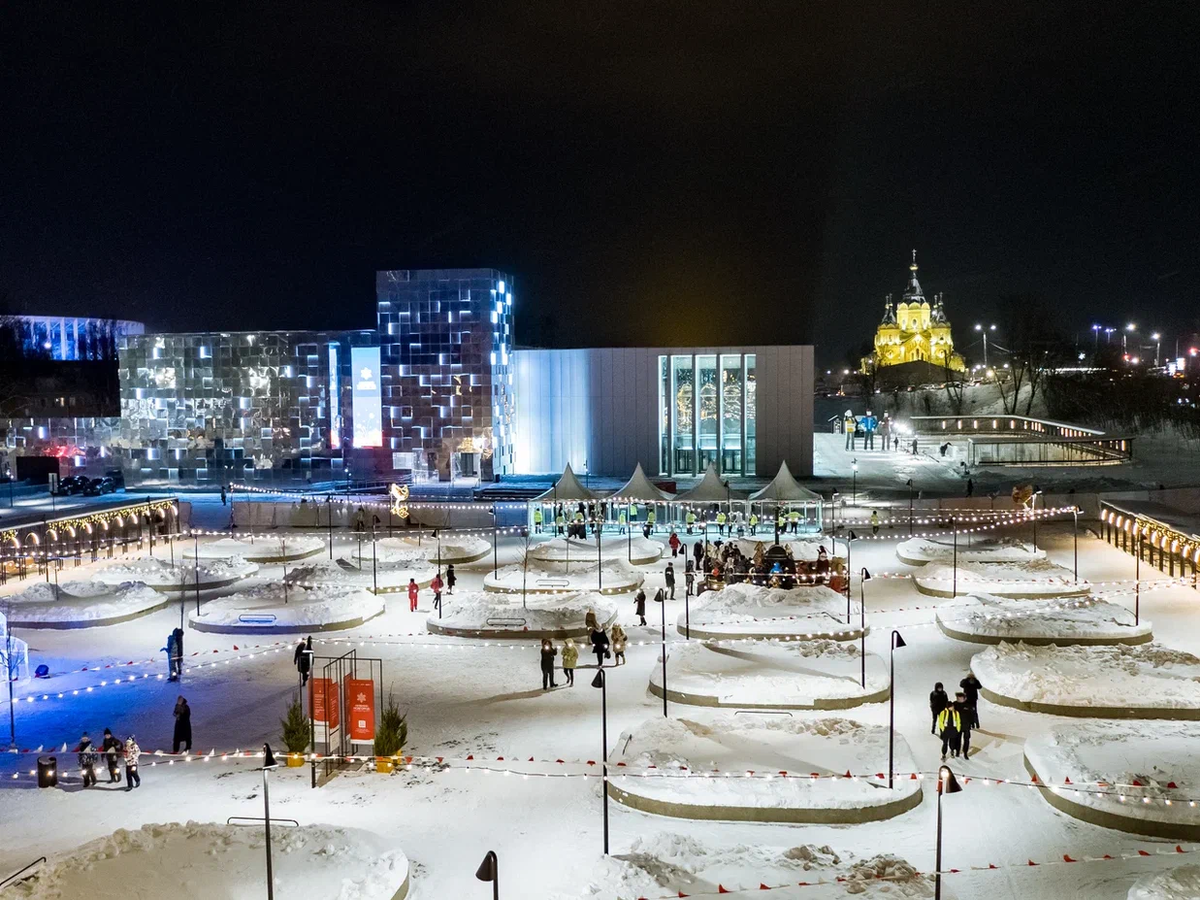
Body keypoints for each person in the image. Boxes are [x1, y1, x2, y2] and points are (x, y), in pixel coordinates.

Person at [954, 691, 973, 759]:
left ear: (964, 698)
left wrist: (972, 723)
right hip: (958, 726)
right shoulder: (954, 704)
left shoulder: (968, 705)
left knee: (966, 740)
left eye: (960, 698)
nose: (958, 699)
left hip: (966, 726)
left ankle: (965, 752)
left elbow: (972, 715)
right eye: (957, 698)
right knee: (957, 739)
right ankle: (957, 751)